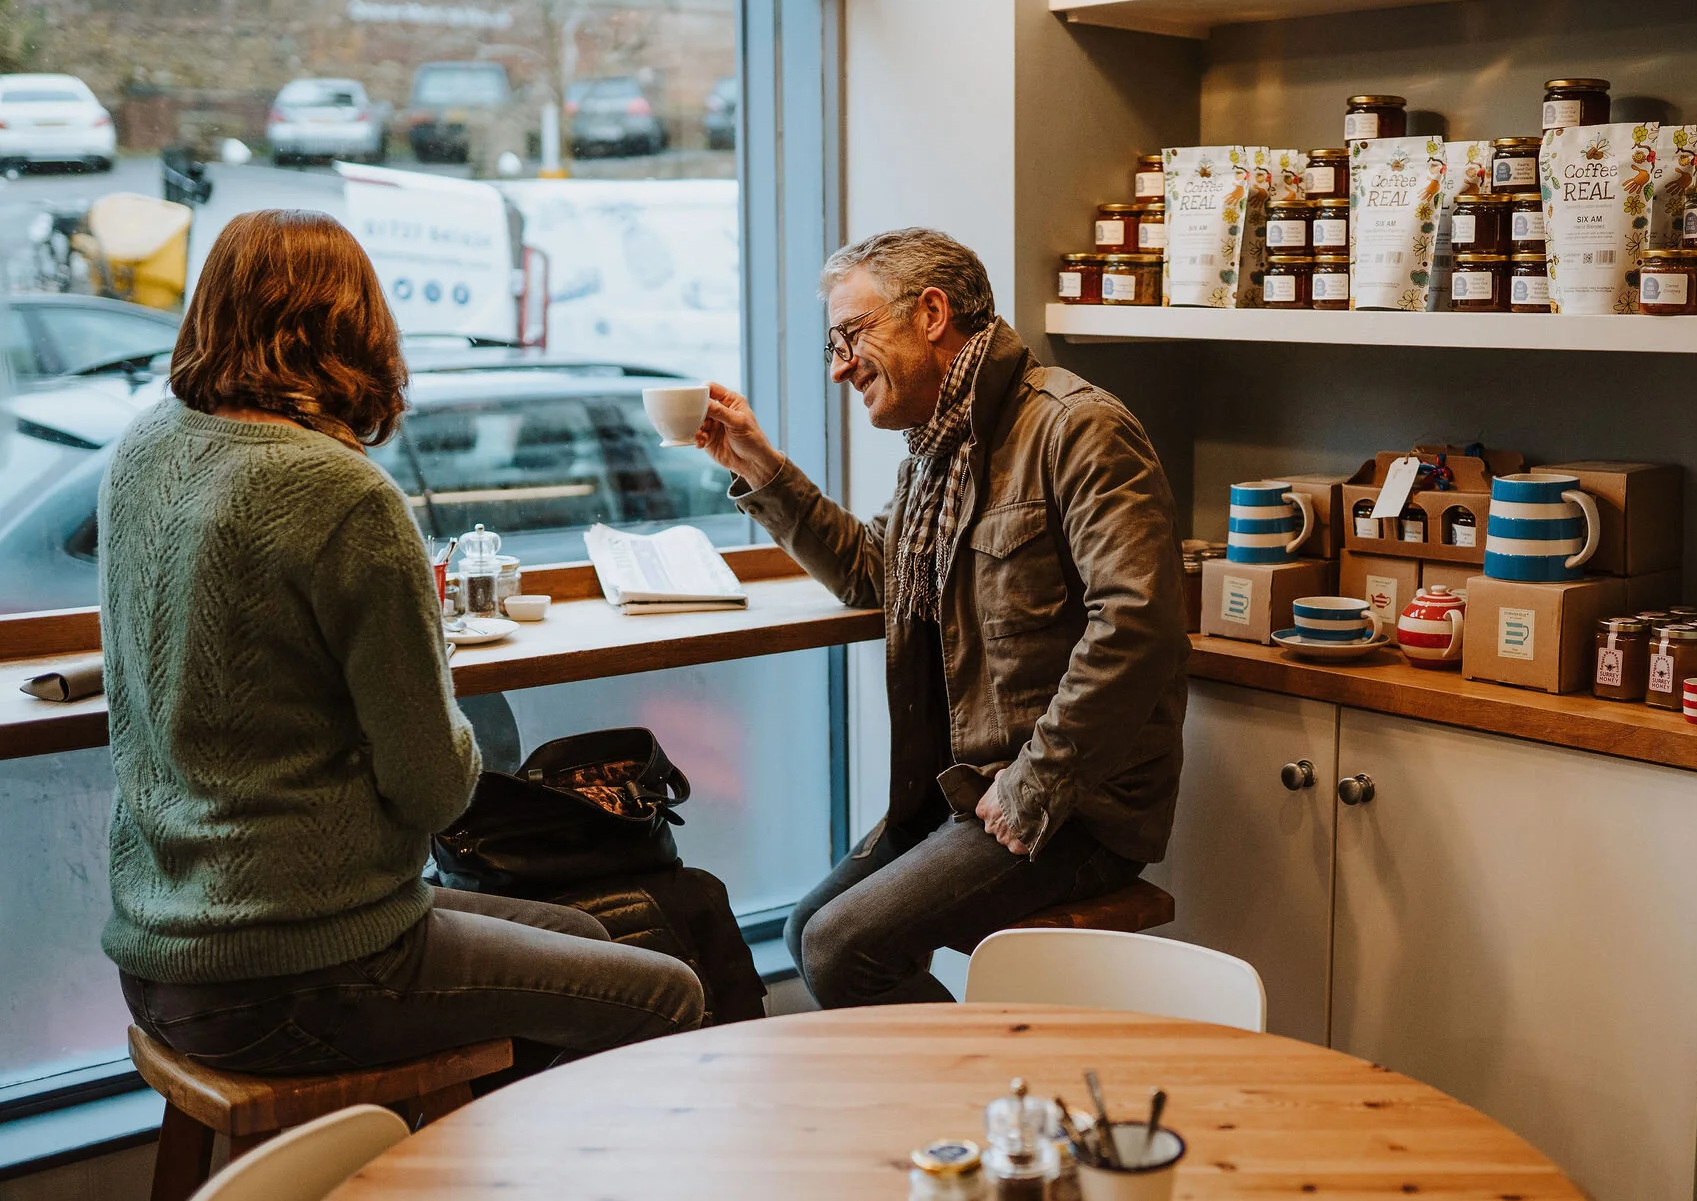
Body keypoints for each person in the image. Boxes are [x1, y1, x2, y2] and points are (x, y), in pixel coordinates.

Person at [100, 209, 702, 1075]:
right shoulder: (341, 493)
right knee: (666, 993)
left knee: (584, 932)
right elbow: (436, 788)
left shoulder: (145, 447)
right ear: (355, 326)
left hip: (160, 953)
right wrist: (425, 638)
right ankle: (524, 1200)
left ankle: (480, 1190)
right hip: (302, 967)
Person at [695, 227, 1186, 1008]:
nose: (838, 366)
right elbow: (872, 572)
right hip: (965, 790)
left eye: (850, 336)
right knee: (805, 931)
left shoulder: (1079, 427)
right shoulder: (938, 452)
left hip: (1077, 806)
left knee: (838, 945)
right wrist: (760, 466)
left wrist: (1036, 783)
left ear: (931, 313)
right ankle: (976, 1094)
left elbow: (1138, 626)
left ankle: (981, 1108)